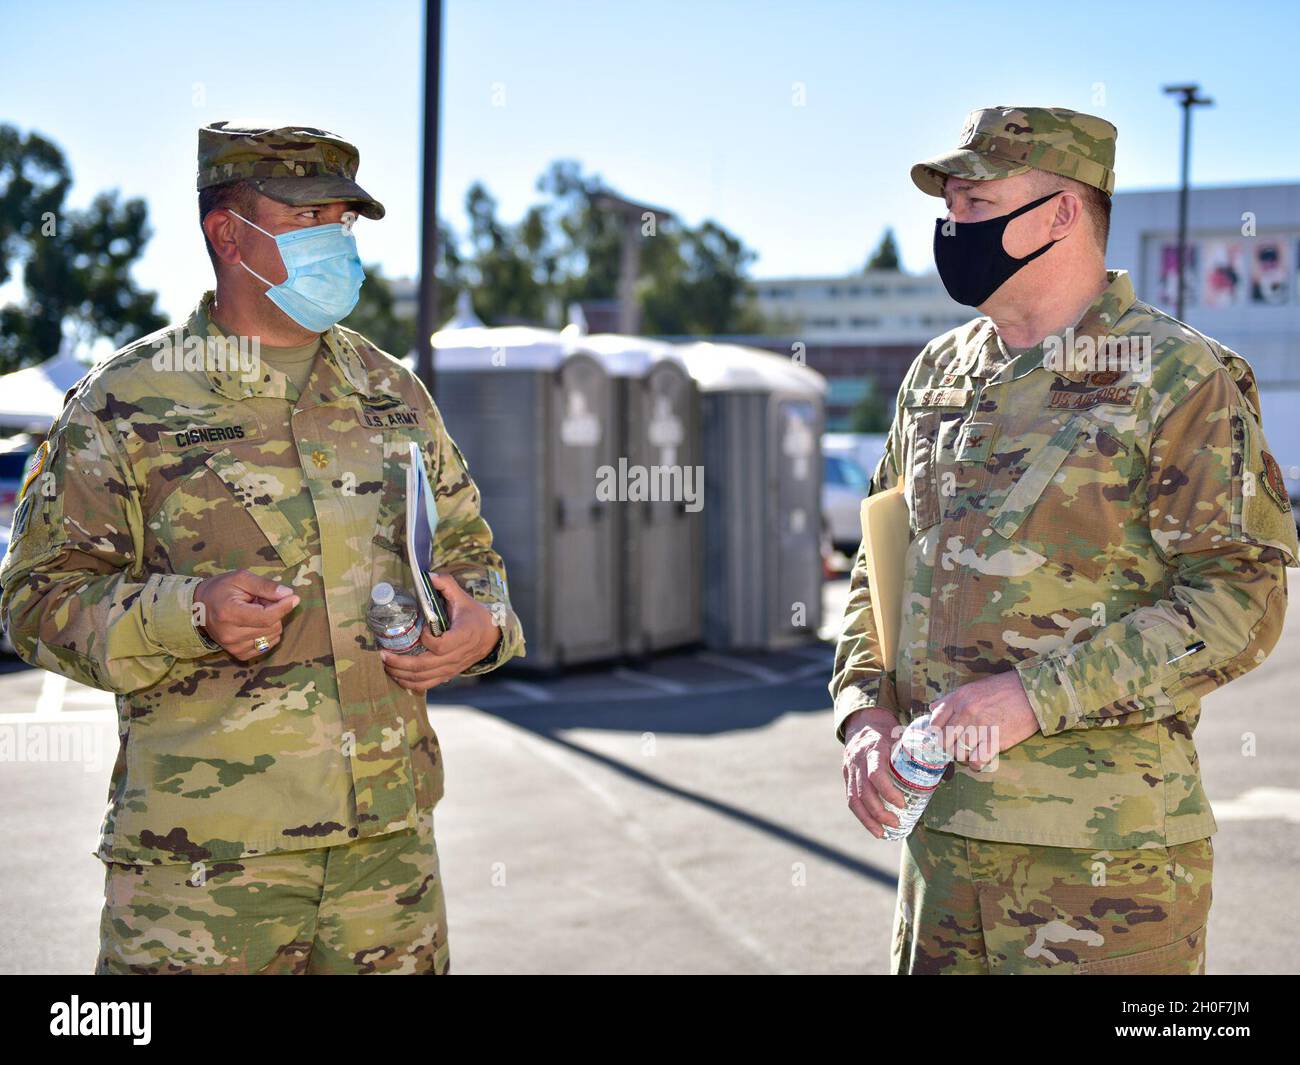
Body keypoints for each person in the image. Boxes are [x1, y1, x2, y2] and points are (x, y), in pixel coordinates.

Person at [0, 122, 525, 974]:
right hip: (203, 871)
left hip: (385, 857)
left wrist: (482, 626)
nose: (337, 241)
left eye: (344, 221)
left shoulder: (392, 392)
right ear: (226, 232)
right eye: (309, 216)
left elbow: (473, 560)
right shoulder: (125, 403)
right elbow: (33, 602)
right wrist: (188, 612)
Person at [831, 106, 1297, 974]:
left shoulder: (1178, 377)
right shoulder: (936, 374)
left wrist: (1035, 695)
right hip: (940, 855)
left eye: (977, 204)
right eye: (950, 206)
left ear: (1061, 215)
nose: (952, 226)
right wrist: (862, 712)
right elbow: (880, 560)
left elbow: (1241, 601)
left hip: (1104, 871)